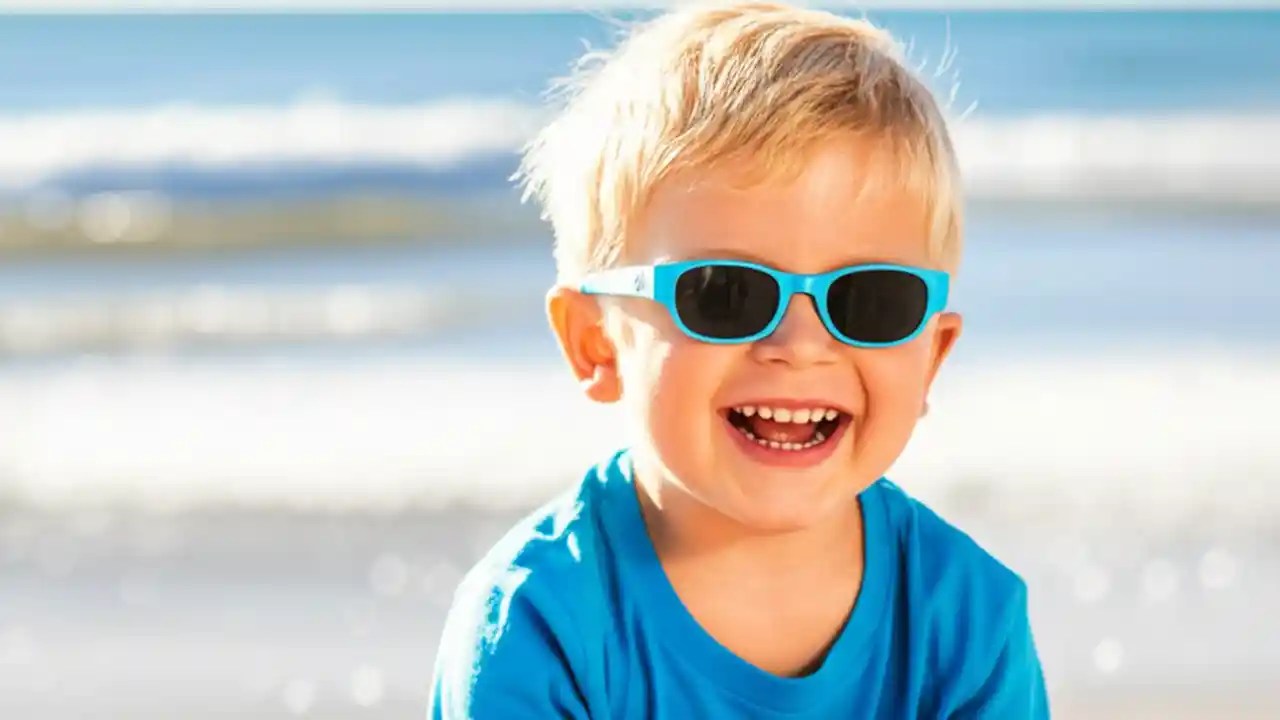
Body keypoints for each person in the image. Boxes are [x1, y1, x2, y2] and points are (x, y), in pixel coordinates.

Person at [429, 1, 1049, 717]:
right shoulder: (538, 626)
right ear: (596, 342)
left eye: (869, 300)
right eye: (725, 294)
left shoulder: (966, 623)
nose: (800, 345)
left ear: (931, 357)